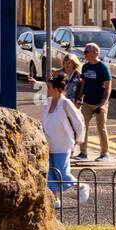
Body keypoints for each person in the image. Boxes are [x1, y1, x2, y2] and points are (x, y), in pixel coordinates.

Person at [39, 73, 89, 208]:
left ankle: (82, 186)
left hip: (63, 144)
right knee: (50, 172)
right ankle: (55, 199)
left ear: (56, 89)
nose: (47, 90)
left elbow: (79, 124)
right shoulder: (48, 102)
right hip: (49, 144)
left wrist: (77, 143)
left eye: (49, 88)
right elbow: (43, 121)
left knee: (62, 172)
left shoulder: (65, 103)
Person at [77, 42, 112, 162]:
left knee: (101, 128)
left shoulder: (103, 67)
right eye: (85, 51)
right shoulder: (85, 67)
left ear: (95, 53)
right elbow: (83, 83)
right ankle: (83, 152)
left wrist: (102, 104)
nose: (85, 53)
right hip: (87, 102)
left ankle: (105, 153)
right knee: (83, 126)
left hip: (99, 102)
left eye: (87, 51)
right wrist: (79, 97)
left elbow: (108, 88)